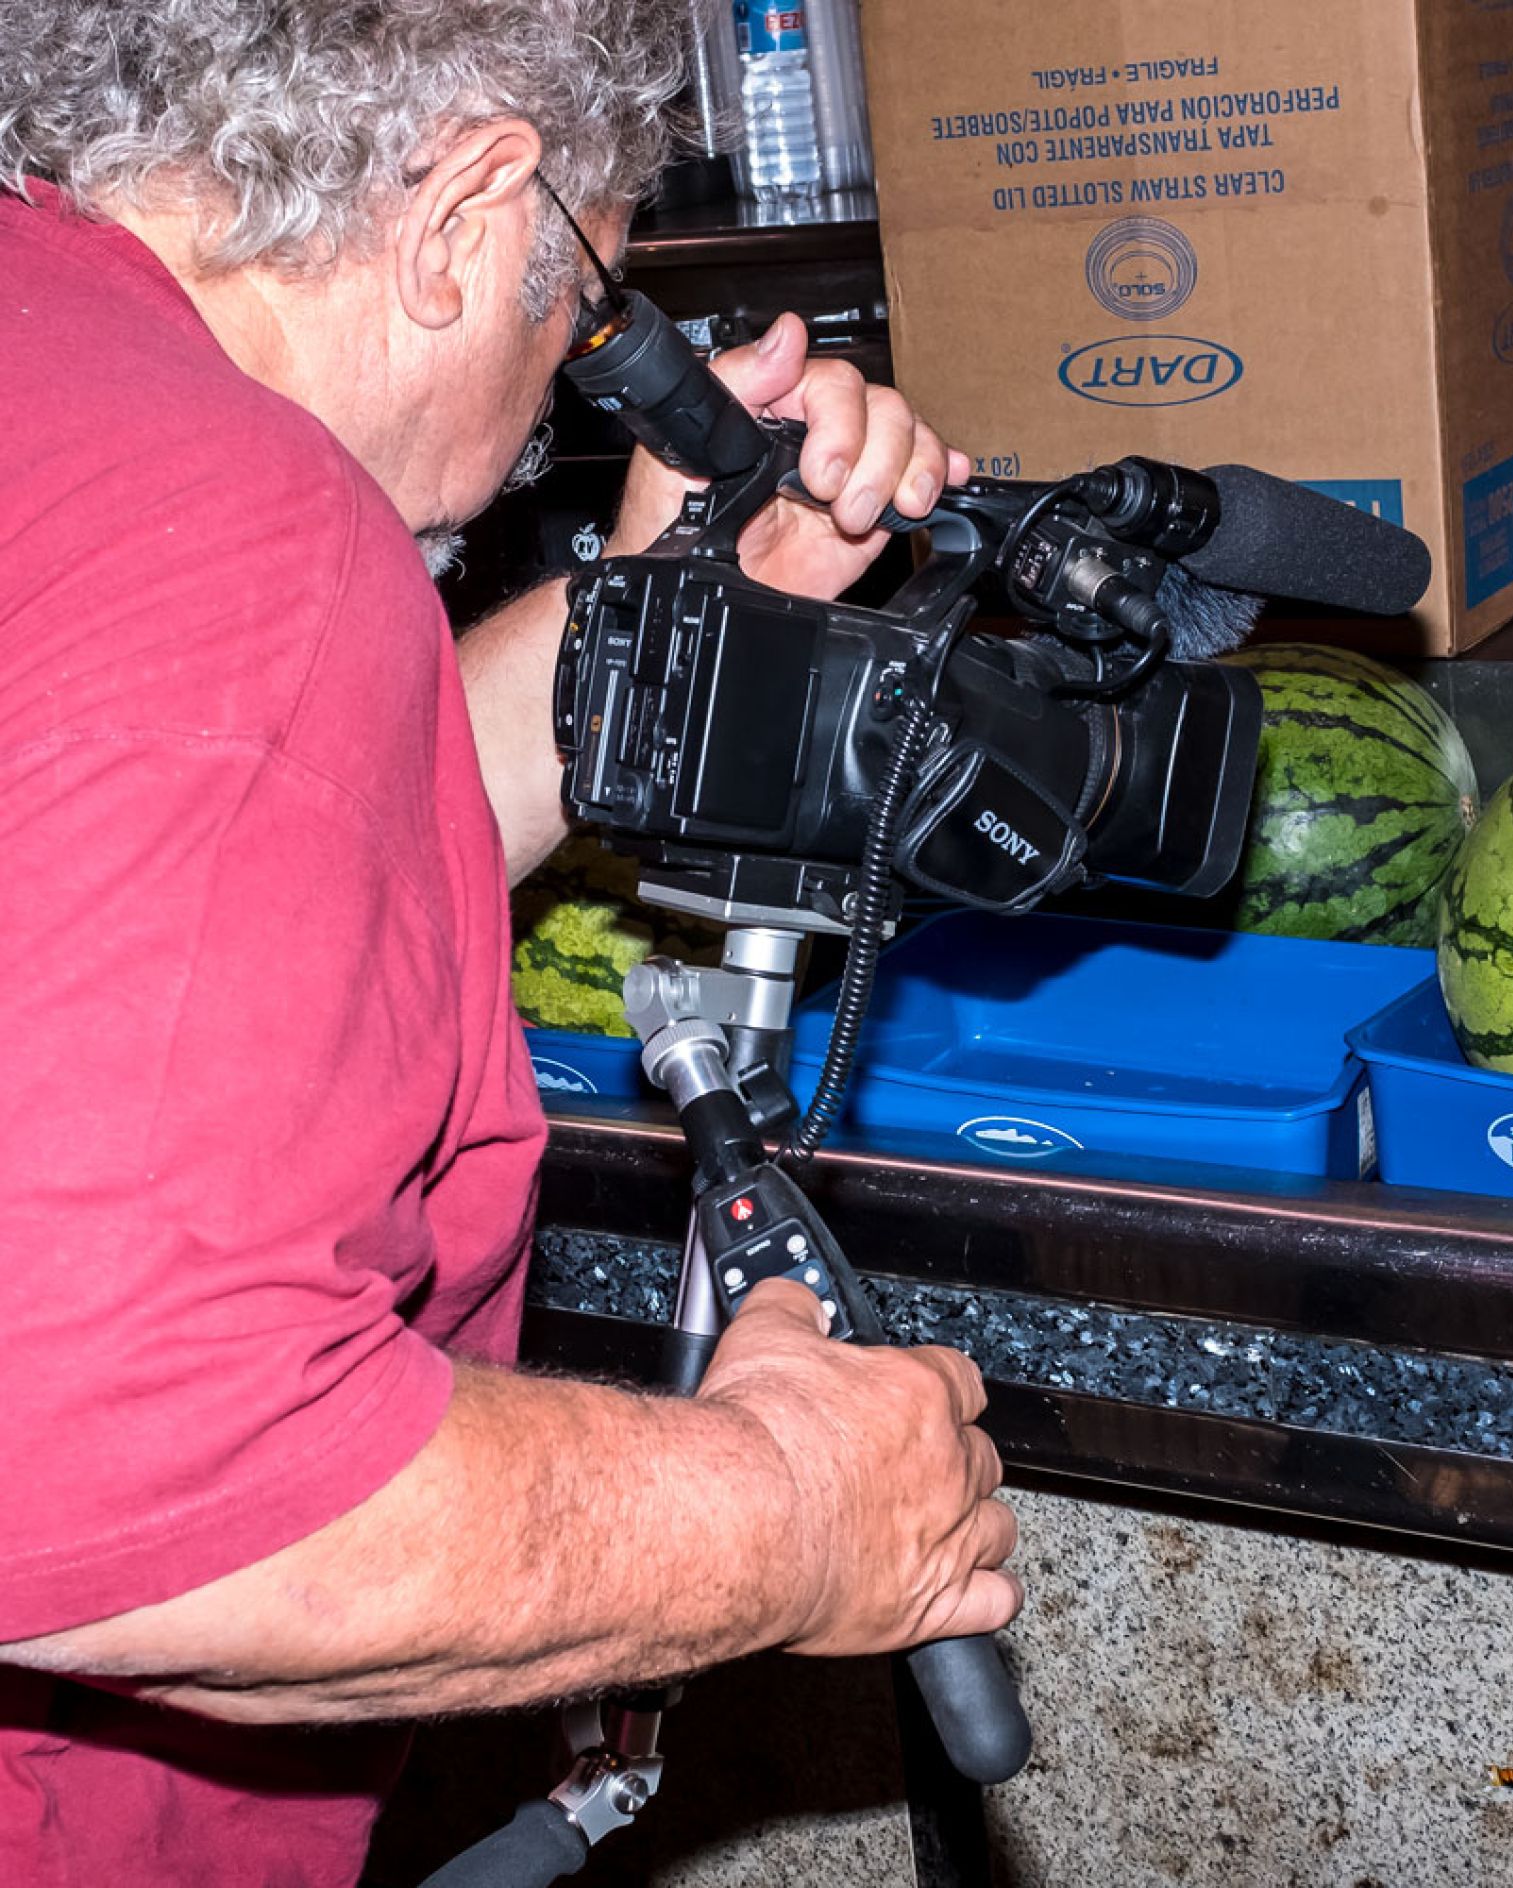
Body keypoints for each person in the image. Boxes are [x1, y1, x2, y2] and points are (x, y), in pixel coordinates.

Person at [0, 5, 1021, 1882]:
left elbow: (216, 858)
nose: (573, 385)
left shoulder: (60, 396)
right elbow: (159, 1479)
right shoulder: (232, 534)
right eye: (587, 304)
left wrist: (652, 621)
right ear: (474, 206)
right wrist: (787, 1510)